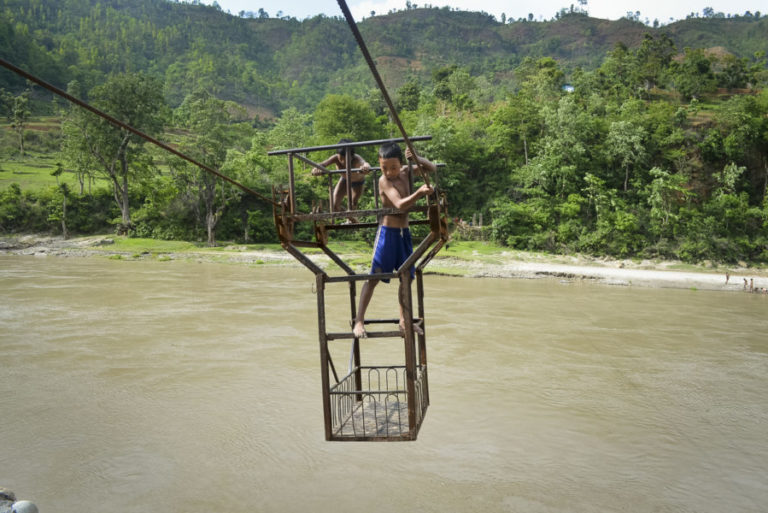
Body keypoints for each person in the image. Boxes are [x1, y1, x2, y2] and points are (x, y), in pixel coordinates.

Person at [352, 142, 436, 338]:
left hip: (404, 234)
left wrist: (417, 158)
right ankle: (359, 321)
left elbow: (431, 168)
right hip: (387, 233)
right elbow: (399, 204)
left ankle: (404, 321)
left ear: (401, 164)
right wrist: (419, 193)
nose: (389, 172)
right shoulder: (384, 181)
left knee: (406, 278)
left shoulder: (407, 172)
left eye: (393, 167)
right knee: (374, 278)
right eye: (384, 168)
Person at [311, 139, 371, 215]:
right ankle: (349, 216)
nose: (342, 161)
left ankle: (351, 219)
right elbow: (322, 164)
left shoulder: (357, 159)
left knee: (353, 203)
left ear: (352, 156)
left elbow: (365, 164)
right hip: (344, 179)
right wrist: (316, 169)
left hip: (358, 182)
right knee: (334, 206)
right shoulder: (335, 158)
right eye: (341, 158)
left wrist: (365, 168)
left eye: (345, 159)